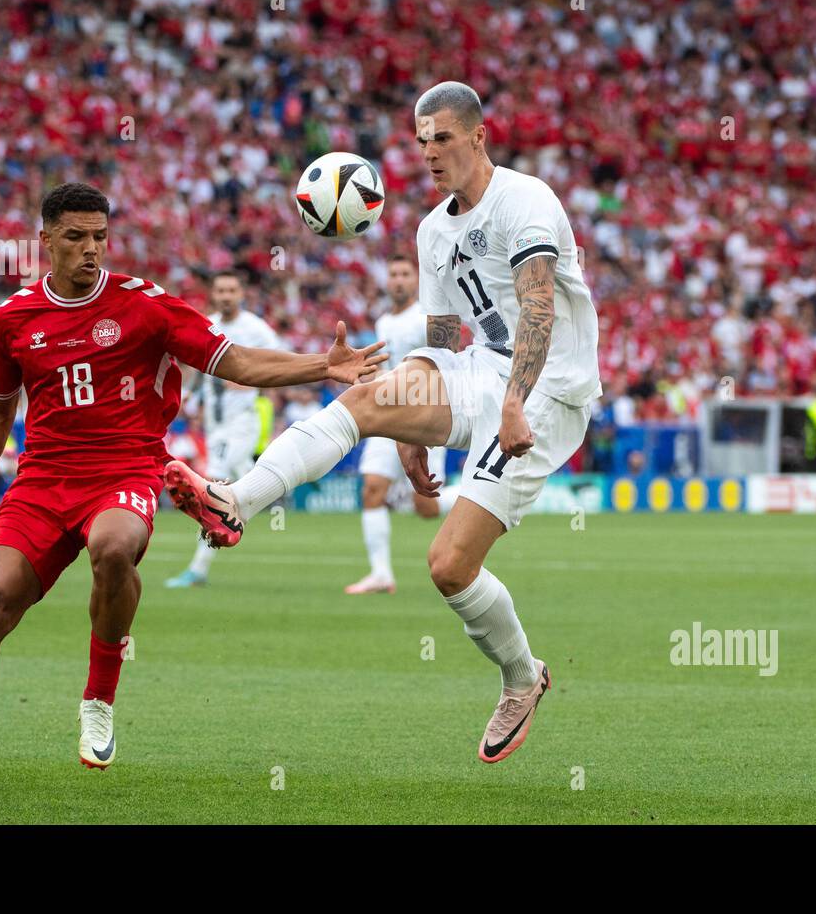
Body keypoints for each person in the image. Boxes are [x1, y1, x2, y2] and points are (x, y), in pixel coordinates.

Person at [0, 182, 386, 790]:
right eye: (75, 237)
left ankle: (98, 700)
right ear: (45, 240)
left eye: (99, 237)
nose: (90, 249)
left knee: (112, 548)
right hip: (42, 480)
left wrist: (321, 366)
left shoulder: (146, 306)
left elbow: (237, 361)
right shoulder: (11, 320)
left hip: (127, 468)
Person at [165, 81, 601, 763]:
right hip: (480, 371)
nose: (428, 151)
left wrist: (515, 401)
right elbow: (440, 337)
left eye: (442, 137)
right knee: (366, 399)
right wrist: (405, 428)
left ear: (478, 136)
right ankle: (234, 499)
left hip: (548, 390)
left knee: (449, 567)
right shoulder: (432, 231)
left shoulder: (527, 200)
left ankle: (523, 677)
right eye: (420, 139)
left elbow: (538, 308)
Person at [346, 253, 458, 594]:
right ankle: (381, 575)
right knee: (372, 490)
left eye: (404, 273)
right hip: (387, 413)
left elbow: (447, 357)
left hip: (423, 415)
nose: (397, 279)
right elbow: (391, 368)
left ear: (415, 279)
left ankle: (482, 493)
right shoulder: (383, 322)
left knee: (426, 506)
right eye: (392, 273)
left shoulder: (425, 316)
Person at [166, 271, 284, 589]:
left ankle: (198, 568)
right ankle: (272, 485)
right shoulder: (208, 323)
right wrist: (188, 394)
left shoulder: (256, 330)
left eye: (232, 290)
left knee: (213, 482)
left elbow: (280, 361)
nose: (226, 295)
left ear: (241, 292)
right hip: (214, 423)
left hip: (243, 421)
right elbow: (198, 367)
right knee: (241, 474)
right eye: (221, 290)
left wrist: (253, 382)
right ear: (213, 294)